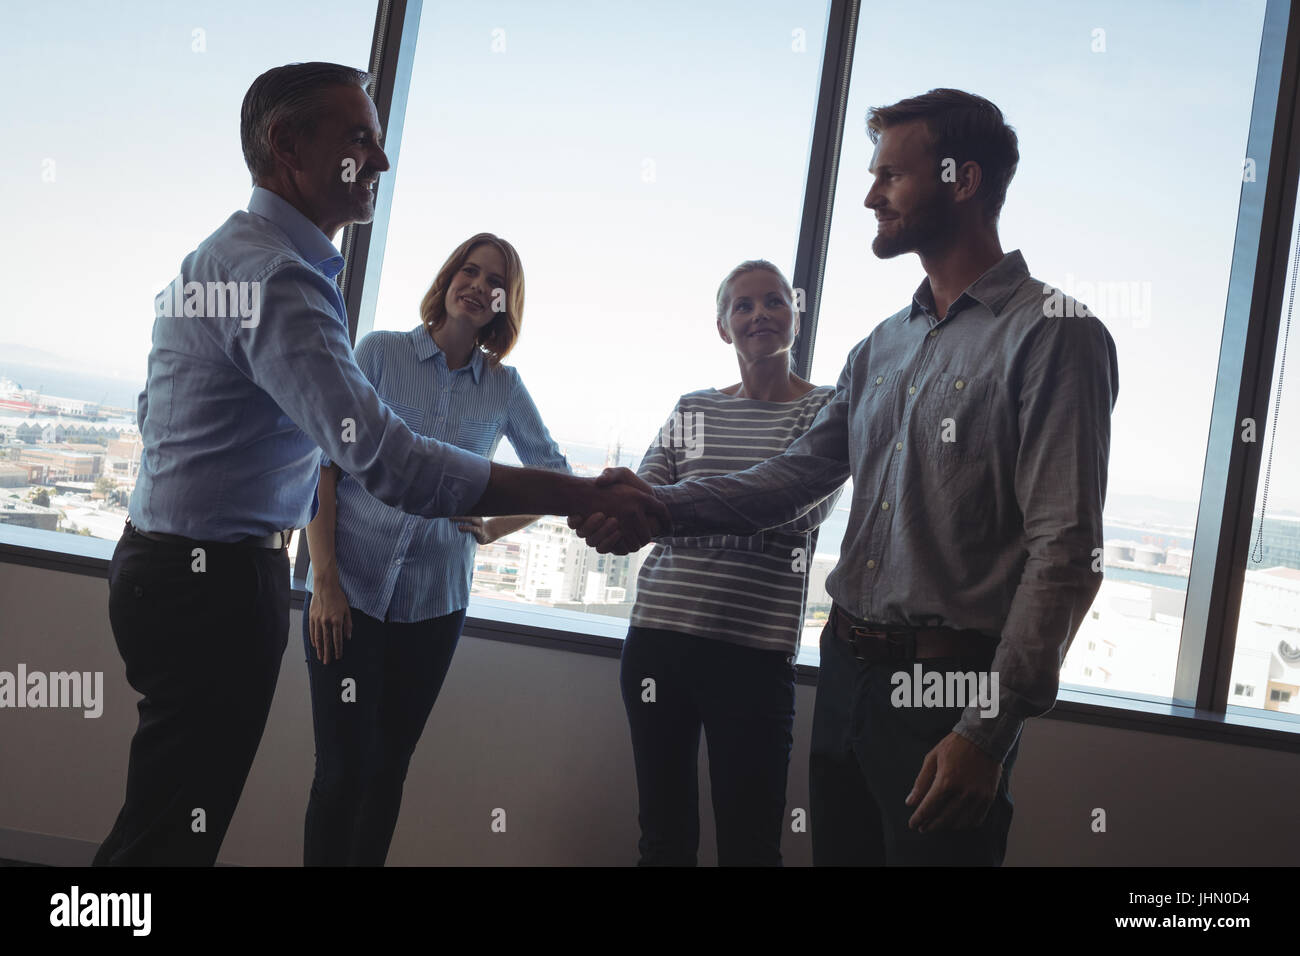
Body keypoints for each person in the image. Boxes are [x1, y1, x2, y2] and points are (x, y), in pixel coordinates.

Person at [94, 61, 664, 867]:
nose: (382, 160)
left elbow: (157, 415)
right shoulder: (282, 279)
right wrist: (580, 494)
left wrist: (506, 523)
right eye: (359, 138)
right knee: (166, 837)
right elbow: (389, 464)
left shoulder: (223, 255)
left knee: (162, 822)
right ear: (288, 144)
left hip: (177, 567)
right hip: (211, 586)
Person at [573, 88, 1119, 866]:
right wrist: (654, 506)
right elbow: (790, 477)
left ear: (962, 180)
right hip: (847, 671)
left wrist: (986, 732)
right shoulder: (880, 347)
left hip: (949, 686)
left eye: (890, 177)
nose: (870, 196)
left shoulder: (1055, 334)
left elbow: (1064, 554)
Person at [301, 232, 567, 866]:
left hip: (433, 610)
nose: (477, 285)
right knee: (340, 770)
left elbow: (553, 475)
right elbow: (323, 468)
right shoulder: (380, 354)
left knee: (387, 773)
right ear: (448, 279)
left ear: (506, 303)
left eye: (493, 281)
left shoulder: (503, 389)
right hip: (352, 596)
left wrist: (495, 526)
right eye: (468, 271)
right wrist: (326, 582)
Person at [620, 259, 842, 866]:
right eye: (742, 307)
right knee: (662, 841)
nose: (758, 315)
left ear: (796, 317)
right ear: (723, 327)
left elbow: (789, 507)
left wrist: (664, 510)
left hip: (753, 655)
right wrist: (624, 512)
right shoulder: (693, 407)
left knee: (750, 848)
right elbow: (642, 498)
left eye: (773, 302)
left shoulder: (825, 412)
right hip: (659, 640)